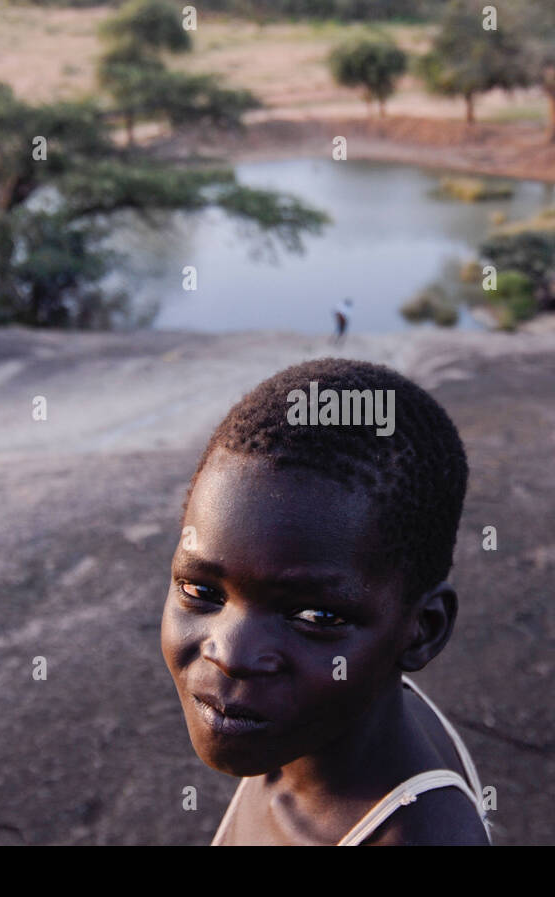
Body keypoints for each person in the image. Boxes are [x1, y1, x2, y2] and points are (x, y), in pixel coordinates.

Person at [160, 358, 491, 845]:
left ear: (422, 629)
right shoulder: (309, 734)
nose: (229, 655)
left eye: (315, 616)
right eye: (202, 592)